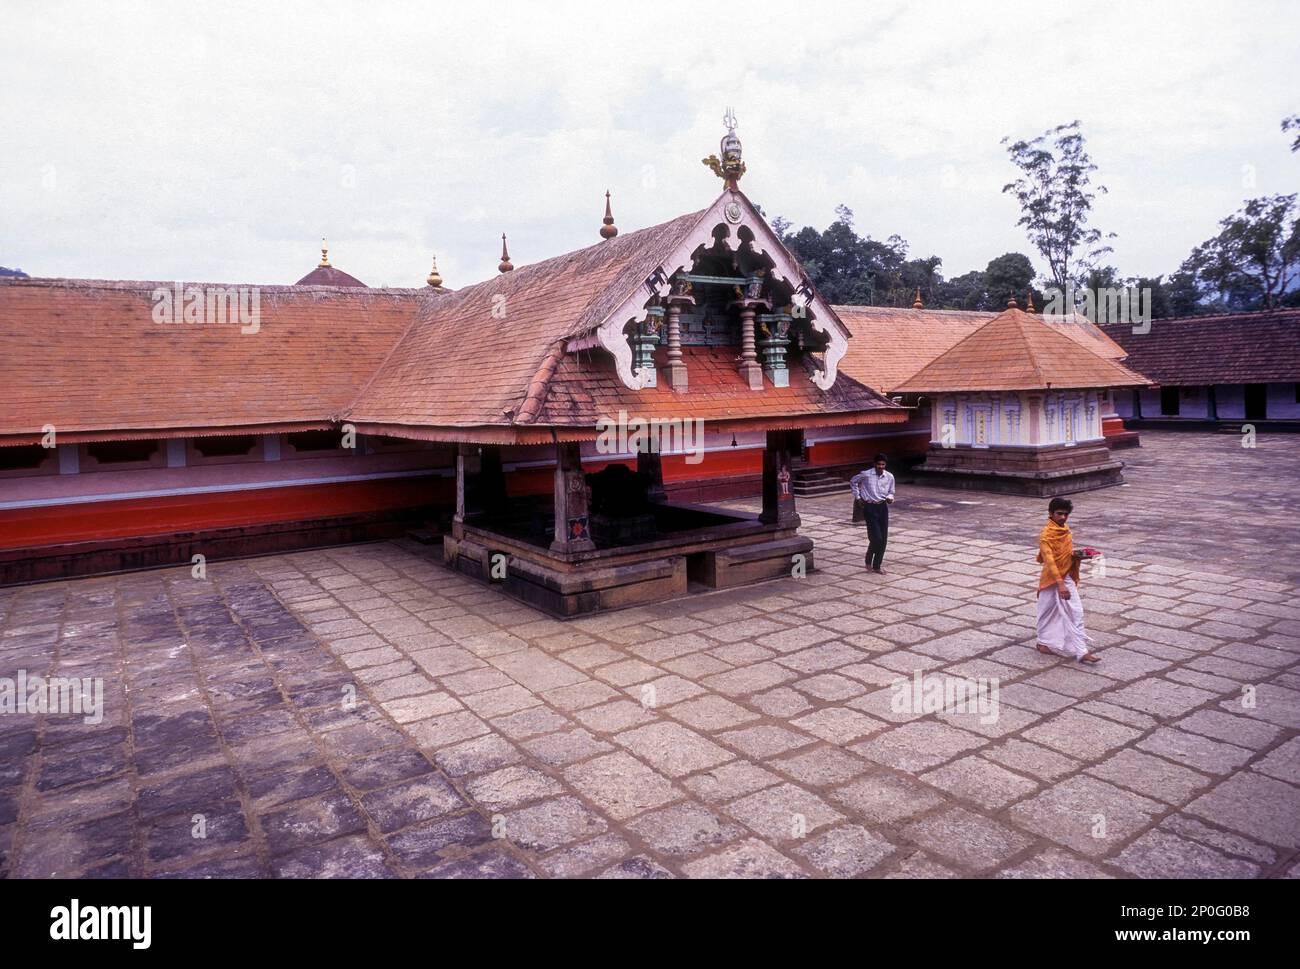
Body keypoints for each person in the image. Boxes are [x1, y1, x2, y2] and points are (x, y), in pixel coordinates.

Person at [1035, 497, 1100, 663]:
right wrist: (1061, 584)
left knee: (1076, 612)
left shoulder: (1065, 530)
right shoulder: (1046, 535)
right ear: (1050, 514)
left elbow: (1065, 554)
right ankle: (1042, 642)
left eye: (1066, 514)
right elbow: (1049, 561)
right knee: (1045, 612)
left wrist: (1079, 556)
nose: (1063, 517)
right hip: (1051, 579)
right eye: (1059, 514)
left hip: (1067, 576)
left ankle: (1081, 651)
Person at [851, 453, 894, 573]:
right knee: (876, 537)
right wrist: (858, 497)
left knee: (883, 538)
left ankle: (877, 566)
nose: (881, 466)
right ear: (874, 464)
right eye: (879, 464)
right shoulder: (866, 475)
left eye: (883, 464)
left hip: (882, 507)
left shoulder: (889, 477)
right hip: (869, 507)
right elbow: (853, 482)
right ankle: (868, 559)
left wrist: (890, 497)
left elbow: (891, 491)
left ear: (885, 465)